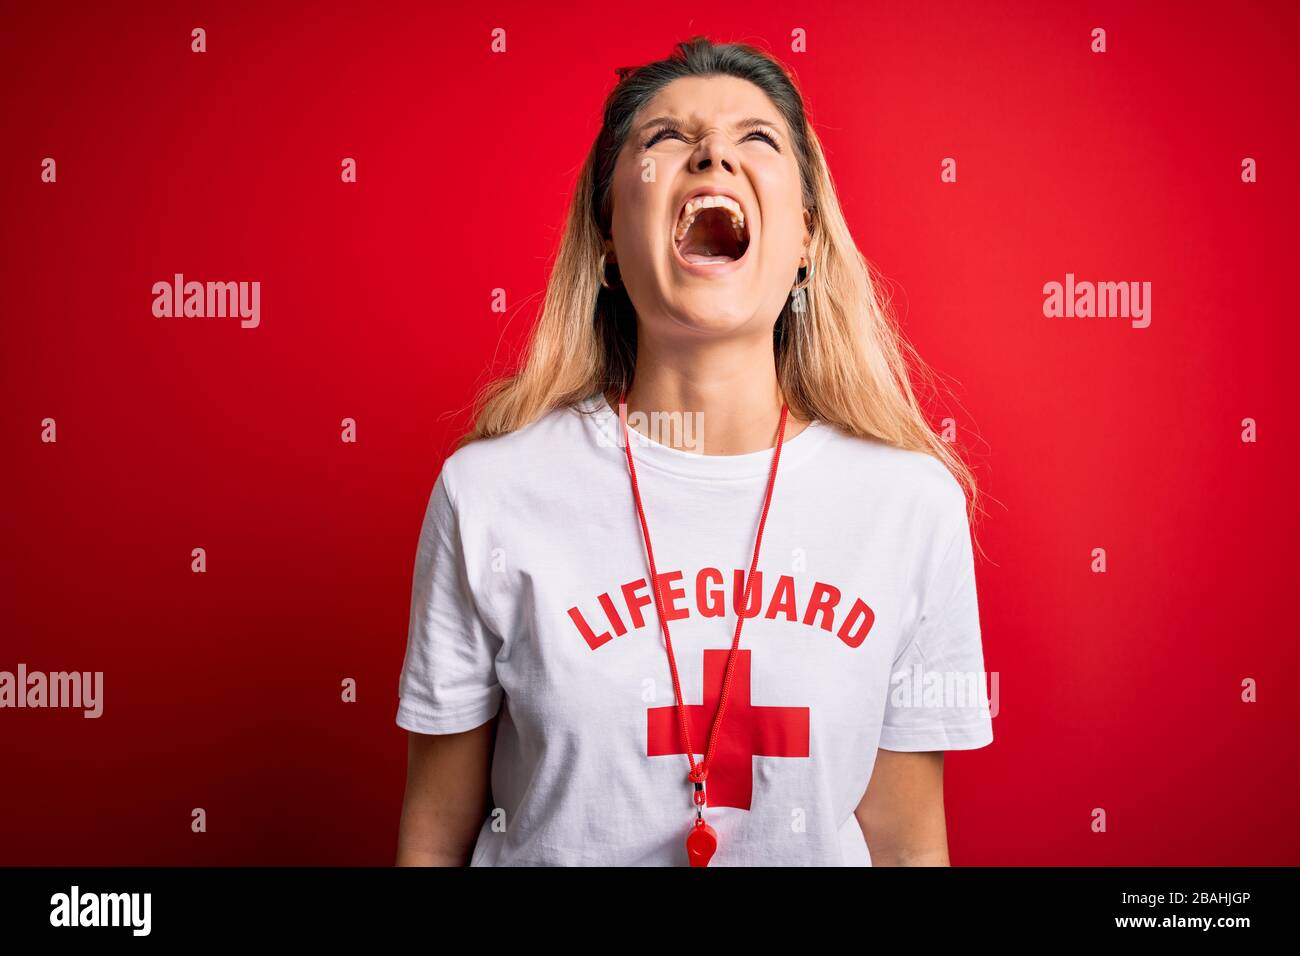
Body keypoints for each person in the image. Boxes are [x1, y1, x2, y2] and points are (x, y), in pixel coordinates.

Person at [394, 36, 993, 867]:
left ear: (807, 241)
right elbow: (434, 836)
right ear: (607, 237)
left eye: (757, 139)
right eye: (666, 139)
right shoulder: (489, 492)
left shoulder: (910, 505)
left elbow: (906, 844)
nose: (713, 151)